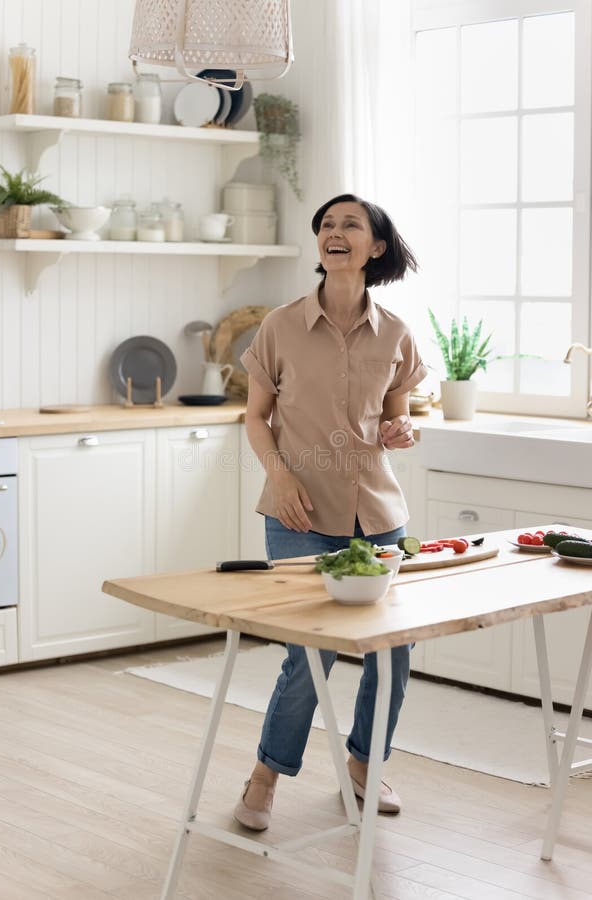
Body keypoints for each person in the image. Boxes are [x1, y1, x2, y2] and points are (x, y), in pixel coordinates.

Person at [235, 193, 427, 831]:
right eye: (326, 224)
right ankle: (265, 775)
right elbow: (254, 417)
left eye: (351, 225)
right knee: (308, 654)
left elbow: (397, 417)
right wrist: (279, 473)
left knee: (392, 650)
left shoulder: (396, 332)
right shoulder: (282, 326)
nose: (335, 232)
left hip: (376, 511)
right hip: (299, 511)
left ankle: (365, 763)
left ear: (376, 247)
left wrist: (400, 432)